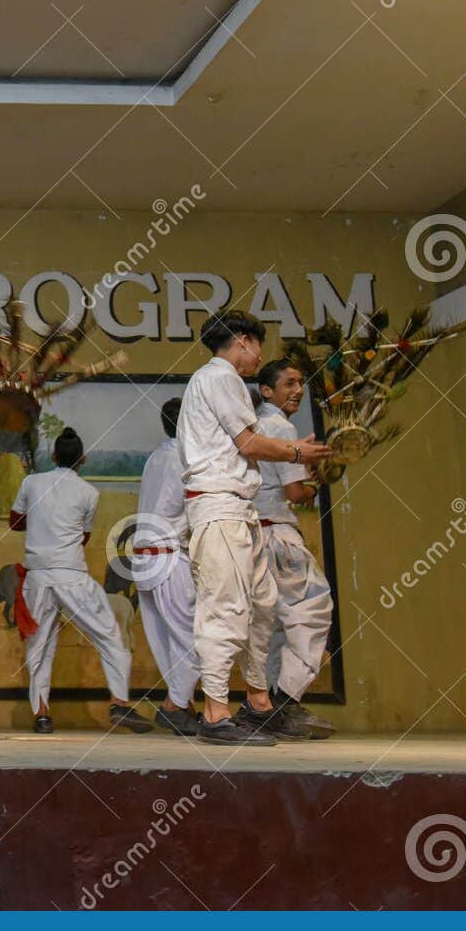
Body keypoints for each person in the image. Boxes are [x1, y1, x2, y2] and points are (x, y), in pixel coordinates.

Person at [177, 310, 331, 746]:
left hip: (238, 510)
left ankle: (259, 702)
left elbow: (246, 446)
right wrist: (297, 453)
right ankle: (215, 713)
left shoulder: (215, 381)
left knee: (262, 606)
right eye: (257, 345)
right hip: (220, 507)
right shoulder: (220, 377)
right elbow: (249, 443)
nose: (259, 355)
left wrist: (293, 452)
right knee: (225, 608)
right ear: (243, 341)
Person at [11, 429, 153, 735]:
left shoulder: (31, 482)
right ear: (83, 460)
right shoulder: (89, 492)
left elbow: (15, 522)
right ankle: (118, 701)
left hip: (37, 577)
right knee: (110, 635)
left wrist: (40, 522)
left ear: (53, 456)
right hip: (72, 576)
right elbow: (84, 536)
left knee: (40, 646)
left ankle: (43, 714)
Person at [254, 360, 338, 738]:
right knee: (313, 611)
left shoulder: (252, 428)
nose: (298, 390)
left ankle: (269, 706)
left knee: (273, 626)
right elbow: (295, 495)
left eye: (301, 383)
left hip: (254, 537)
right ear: (266, 391)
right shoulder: (281, 428)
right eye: (288, 383)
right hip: (278, 535)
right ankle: (286, 700)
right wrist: (319, 481)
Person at [132, 398, 202, 736]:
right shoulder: (189, 457)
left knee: (167, 637)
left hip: (144, 558)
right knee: (194, 638)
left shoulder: (154, 457)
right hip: (169, 555)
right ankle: (174, 706)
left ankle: (183, 706)